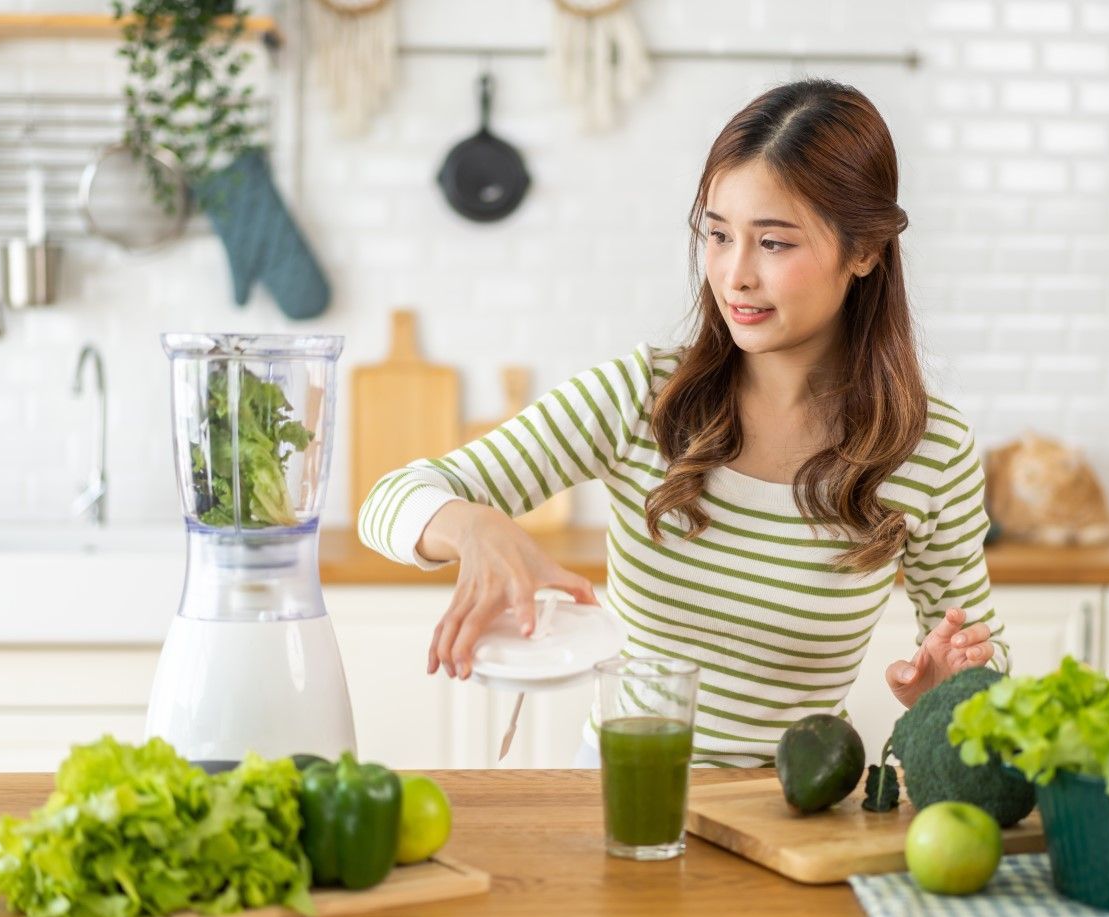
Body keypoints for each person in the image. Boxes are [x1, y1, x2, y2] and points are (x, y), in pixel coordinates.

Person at [358, 78, 1009, 769]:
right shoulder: (642, 397)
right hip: (624, 795)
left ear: (865, 250)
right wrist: (470, 524)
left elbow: (988, 675)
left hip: (796, 813)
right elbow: (389, 499)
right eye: (718, 235)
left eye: (775, 244)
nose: (734, 276)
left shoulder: (929, 449)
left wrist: (950, 695)